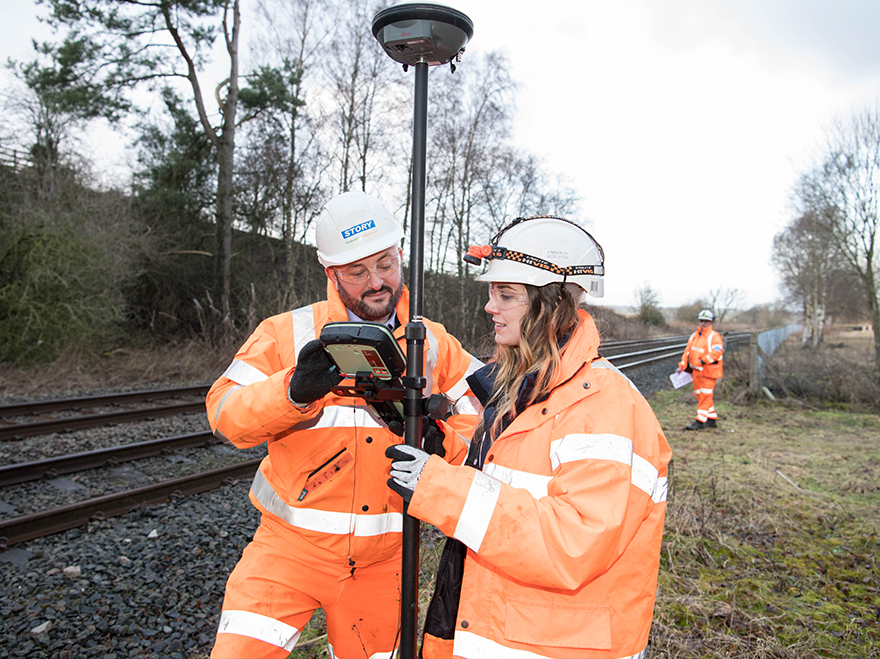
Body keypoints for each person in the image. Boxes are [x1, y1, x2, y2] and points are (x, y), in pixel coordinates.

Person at [205, 190, 483, 659]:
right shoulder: (286, 333)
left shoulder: (433, 344)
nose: (377, 282)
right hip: (287, 551)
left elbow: (492, 424)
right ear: (330, 272)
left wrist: (443, 442)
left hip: (387, 560)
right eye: (358, 271)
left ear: (401, 256)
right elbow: (225, 413)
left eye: (386, 264)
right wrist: (292, 391)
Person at [384, 216, 672, 659]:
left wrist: (441, 489)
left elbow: (573, 543)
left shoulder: (607, 407)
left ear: (549, 304)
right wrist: (448, 451)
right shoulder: (528, 387)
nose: (489, 306)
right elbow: (512, 469)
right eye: (491, 292)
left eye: (506, 294)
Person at [676, 309, 724, 430]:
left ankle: (700, 421)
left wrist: (703, 360)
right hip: (696, 372)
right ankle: (712, 419)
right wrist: (682, 366)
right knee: (700, 396)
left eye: (706, 321)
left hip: (708, 372)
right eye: (701, 321)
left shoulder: (714, 336)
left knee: (705, 396)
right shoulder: (694, 336)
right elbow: (687, 352)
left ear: (711, 322)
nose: (703, 323)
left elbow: (716, 352)